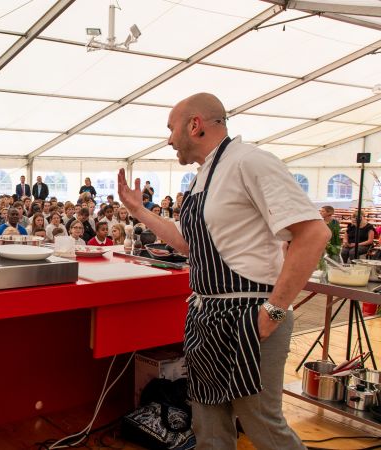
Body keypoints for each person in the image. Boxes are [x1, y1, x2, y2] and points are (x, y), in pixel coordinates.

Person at [117, 92, 329, 450]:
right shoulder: (202, 177)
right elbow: (188, 243)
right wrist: (140, 212)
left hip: (249, 314)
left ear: (195, 125)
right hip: (206, 316)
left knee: (262, 425)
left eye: (171, 129)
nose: (168, 139)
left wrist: (272, 313)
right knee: (208, 425)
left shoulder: (251, 162)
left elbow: (313, 234)